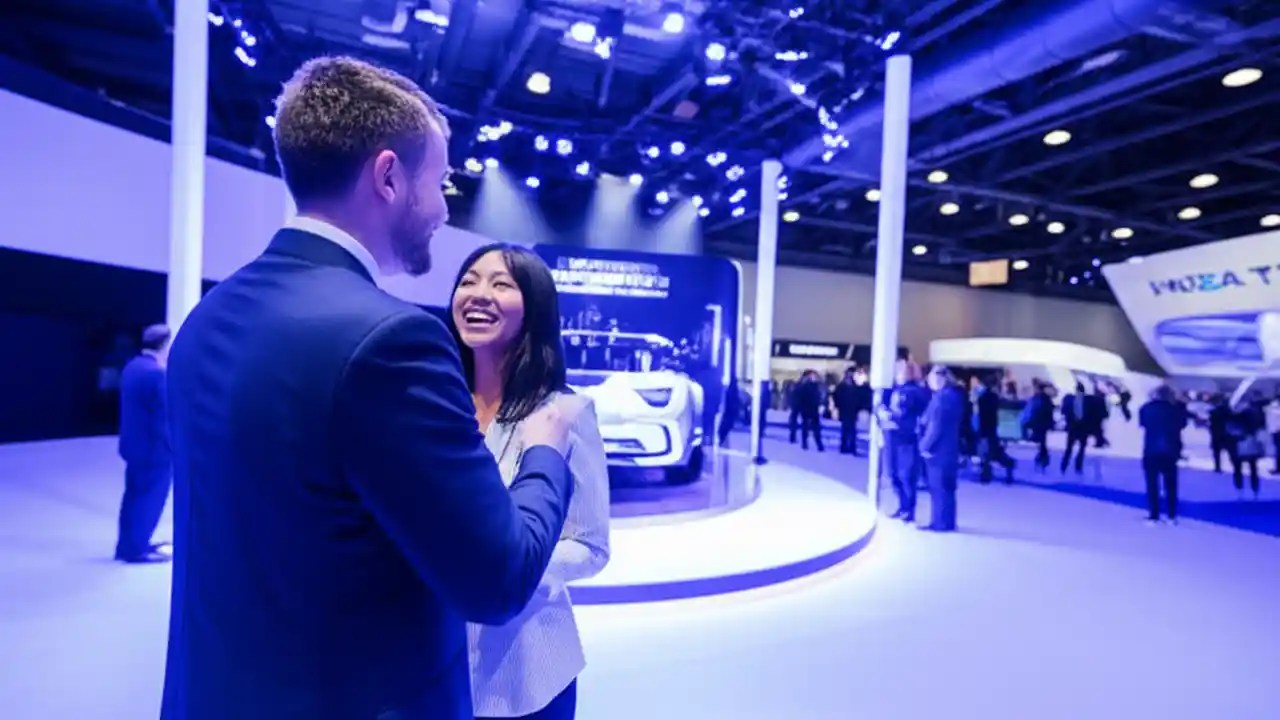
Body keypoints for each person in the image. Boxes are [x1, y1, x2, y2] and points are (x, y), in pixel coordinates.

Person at [160, 57, 580, 720]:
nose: (445, 208)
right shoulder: (392, 343)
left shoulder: (206, 321)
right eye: (439, 183)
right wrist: (546, 454)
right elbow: (498, 579)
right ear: (388, 176)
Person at [450, 244, 610, 720]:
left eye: (501, 284)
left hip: (529, 672)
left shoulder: (564, 414)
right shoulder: (432, 404)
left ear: (534, 307)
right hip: (430, 662)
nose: (479, 295)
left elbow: (590, 544)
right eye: (468, 281)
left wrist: (509, 572)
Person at [114, 323, 173, 563]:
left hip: (133, 446)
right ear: (164, 345)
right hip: (154, 450)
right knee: (150, 499)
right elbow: (163, 418)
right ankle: (137, 549)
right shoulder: (156, 374)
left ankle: (128, 544)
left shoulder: (133, 367)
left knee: (133, 496)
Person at [878, 360, 931, 522]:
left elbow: (909, 415)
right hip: (893, 436)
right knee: (893, 474)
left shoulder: (915, 392)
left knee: (906, 475)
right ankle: (903, 506)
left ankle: (909, 509)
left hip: (906, 439)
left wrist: (890, 416)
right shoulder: (894, 389)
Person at [918, 365, 964, 532]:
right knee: (948, 488)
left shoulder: (941, 398)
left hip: (938, 451)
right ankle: (948, 522)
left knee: (938, 488)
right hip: (951, 449)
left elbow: (935, 427)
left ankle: (939, 523)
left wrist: (924, 446)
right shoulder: (955, 397)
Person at [1139, 386, 1187, 526]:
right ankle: (1171, 515)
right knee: (1171, 484)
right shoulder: (1175, 410)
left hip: (1151, 449)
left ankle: (1154, 515)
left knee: (1152, 484)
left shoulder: (1147, 408)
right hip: (1171, 450)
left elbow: (1143, 423)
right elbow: (1182, 424)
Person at [974, 374, 1015, 484]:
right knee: (993, 451)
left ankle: (986, 474)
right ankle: (1006, 466)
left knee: (986, 452)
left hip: (984, 427)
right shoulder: (994, 397)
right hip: (992, 427)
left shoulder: (982, 397)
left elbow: (980, 414)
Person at [1020, 380, 1056, 472]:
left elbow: (1031, 411)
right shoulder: (1044, 399)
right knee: (1042, 442)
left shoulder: (1037, 398)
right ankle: (1043, 459)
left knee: (1041, 442)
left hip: (1038, 423)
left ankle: (1042, 459)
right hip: (1041, 424)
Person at [1059, 382, 1090, 474]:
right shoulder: (1086, 401)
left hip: (1074, 428)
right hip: (1081, 428)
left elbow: (1064, 411)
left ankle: (1065, 466)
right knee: (1080, 448)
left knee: (1070, 448)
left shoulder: (1070, 400)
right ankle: (1076, 466)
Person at [834, 368, 860, 455]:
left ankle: (851, 447)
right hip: (845, 410)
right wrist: (838, 406)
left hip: (851, 411)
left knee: (851, 430)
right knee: (846, 429)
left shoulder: (853, 386)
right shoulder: (842, 387)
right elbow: (836, 397)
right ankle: (844, 447)